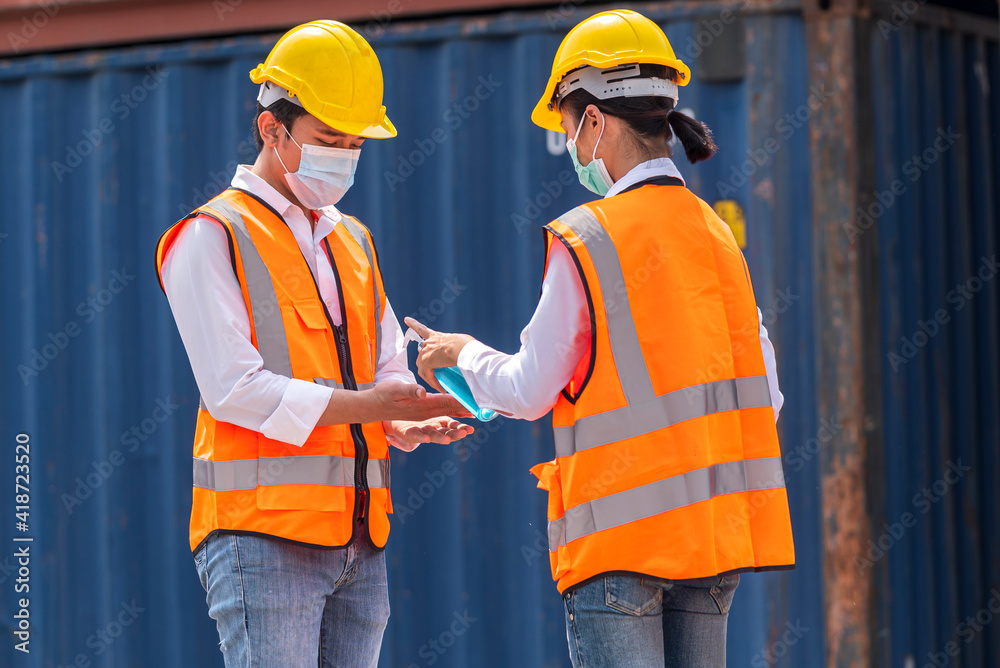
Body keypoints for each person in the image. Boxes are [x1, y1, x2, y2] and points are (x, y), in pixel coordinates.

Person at [407, 9, 795, 667]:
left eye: (564, 122)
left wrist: (459, 355)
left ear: (594, 121)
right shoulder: (717, 236)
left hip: (619, 553)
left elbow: (531, 389)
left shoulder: (587, 237)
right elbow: (768, 396)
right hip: (711, 541)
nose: (565, 139)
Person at [153, 20, 472, 668]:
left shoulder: (353, 241)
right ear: (272, 129)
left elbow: (382, 373)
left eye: (354, 143)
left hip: (360, 539)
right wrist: (378, 407)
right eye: (328, 140)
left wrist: (410, 421)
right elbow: (235, 392)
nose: (344, 157)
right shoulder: (210, 236)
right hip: (262, 539)